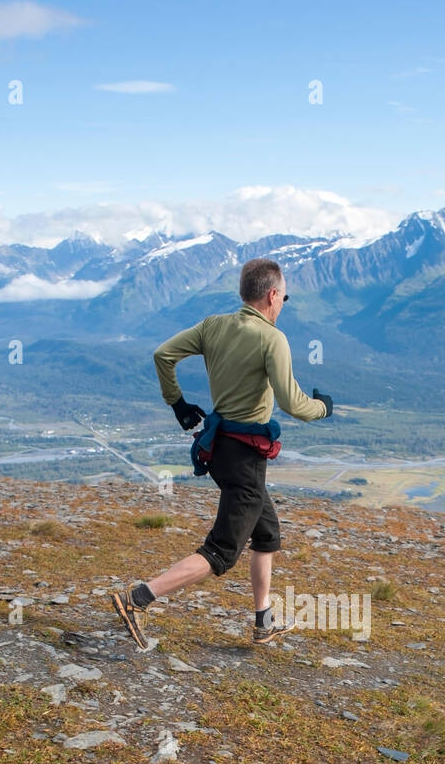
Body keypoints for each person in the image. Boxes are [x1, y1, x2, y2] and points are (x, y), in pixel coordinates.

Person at [111, 257, 333, 650]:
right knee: (221, 551)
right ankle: (137, 598)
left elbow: (163, 355)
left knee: (266, 533)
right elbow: (293, 403)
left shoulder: (214, 325)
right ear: (272, 295)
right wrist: (323, 407)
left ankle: (264, 622)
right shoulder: (272, 339)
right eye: (284, 297)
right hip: (244, 457)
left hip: (220, 449)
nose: (283, 304)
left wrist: (177, 403)